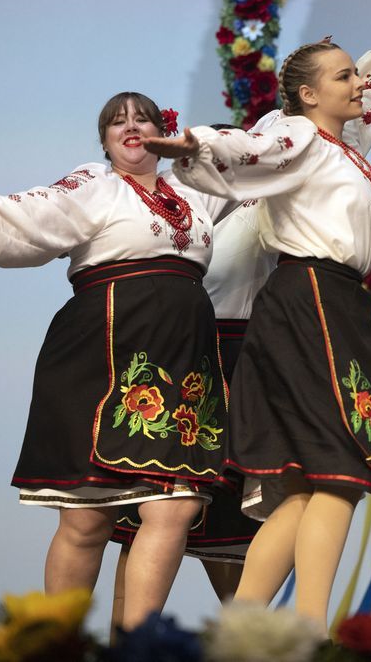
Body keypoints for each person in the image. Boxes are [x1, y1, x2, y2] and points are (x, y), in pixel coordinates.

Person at [141, 0, 371, 635]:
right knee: (342, 474)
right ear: (305, 94)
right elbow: (251, 144)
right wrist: (194, 143)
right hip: (312, 299)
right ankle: (314, 631)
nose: (361, 84)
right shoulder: (295, 134)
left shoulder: (339, 144)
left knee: (305, 485)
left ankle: (237, 634)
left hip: (336, 305)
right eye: (345, 76)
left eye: (358, 73)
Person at [0, 92, 237, 630]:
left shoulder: (193, 190)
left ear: (162, 131)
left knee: (175, 503)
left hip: (182, 359)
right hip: (102, 352)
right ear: (103, 141)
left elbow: (259, 157)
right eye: (116, 122)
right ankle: (56, 643)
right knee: (88, 519)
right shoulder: (94, 185)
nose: (130, 126)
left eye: (142, 118)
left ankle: (136, 645)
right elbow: (38, 209)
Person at [109, 124, 276, 635]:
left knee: (229, 524)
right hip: (172, 356)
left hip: (239, 358)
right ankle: (125, 644)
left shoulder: (262, 196)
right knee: (145, 518)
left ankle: (246, 643)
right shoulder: (170, 203)